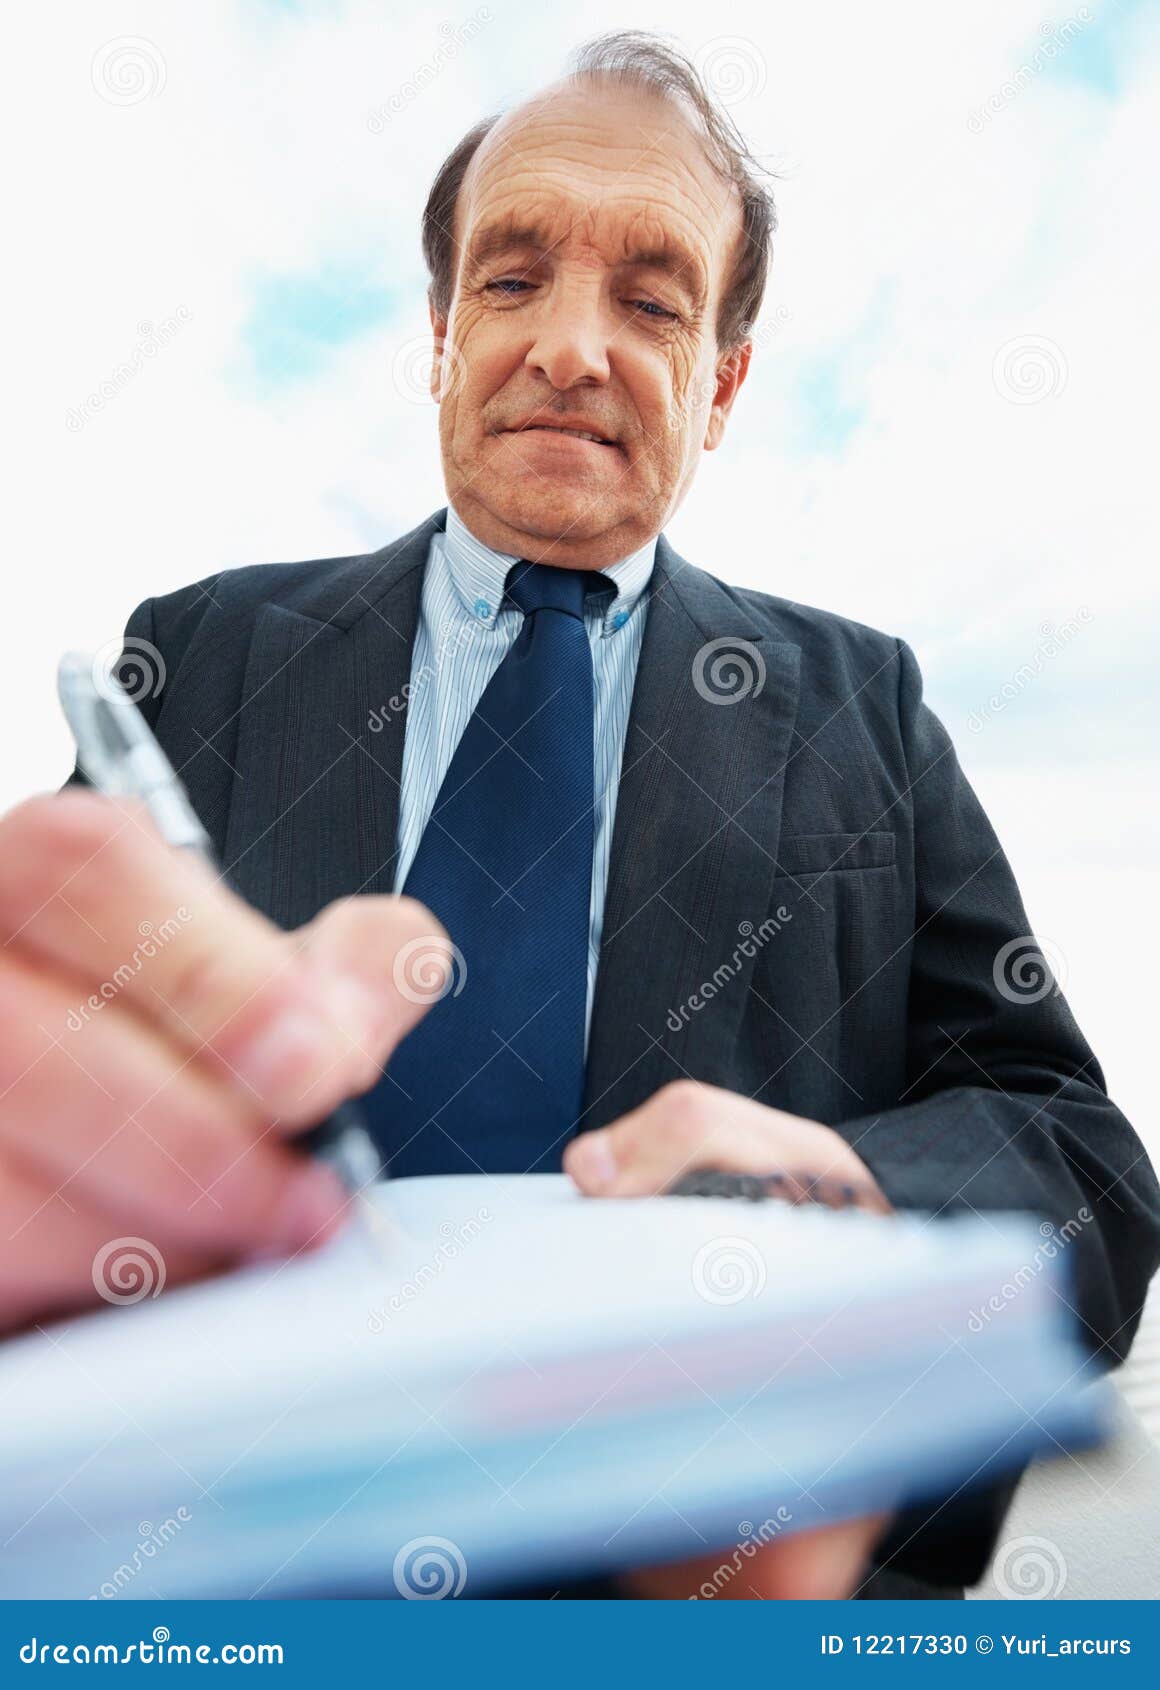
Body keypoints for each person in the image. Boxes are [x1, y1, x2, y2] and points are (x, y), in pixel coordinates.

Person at [4, 29, 1157, 1600]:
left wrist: (826, 1184)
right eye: (511, 278)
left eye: (652, 300)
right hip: (220, 1586)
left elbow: (1079, 1162)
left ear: (723, 383)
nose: (568, 347)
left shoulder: (863, 708)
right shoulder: (200, 659)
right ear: (437, 332)